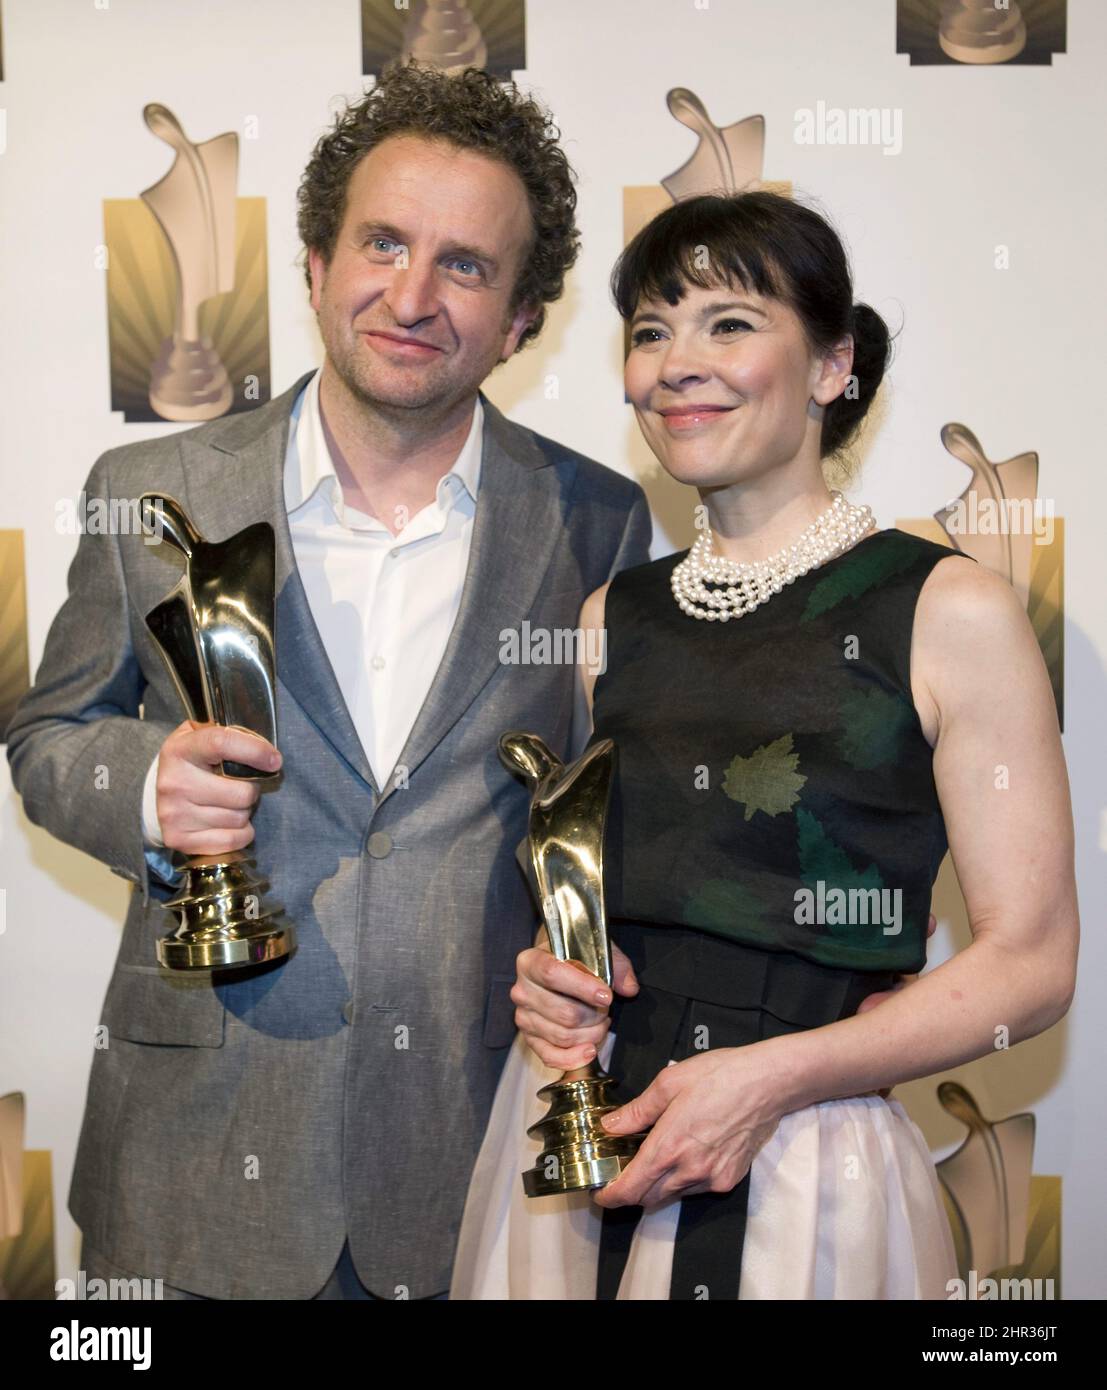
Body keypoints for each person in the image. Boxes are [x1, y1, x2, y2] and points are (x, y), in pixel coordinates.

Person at [4, 61, 651, 1300]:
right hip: (190, 1158)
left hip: (470, 1166)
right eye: (383, 243)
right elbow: (48, 737)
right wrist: (147, 789)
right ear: (313, 265)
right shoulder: (151, 489)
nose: (412, 294)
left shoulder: (598, 521)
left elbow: (606, 809)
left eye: (466, 265)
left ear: (523, 319)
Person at [450, 190, 1079, 1300]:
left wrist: (774, 1079)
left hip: (806, 1165)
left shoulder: (948, 610)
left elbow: (1030, 964)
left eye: (729, 323)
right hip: (579, 1131)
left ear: (834, 367)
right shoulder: (607, 621)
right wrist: (557, 980)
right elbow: (600, 896)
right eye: (651, 330)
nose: (676, 362)